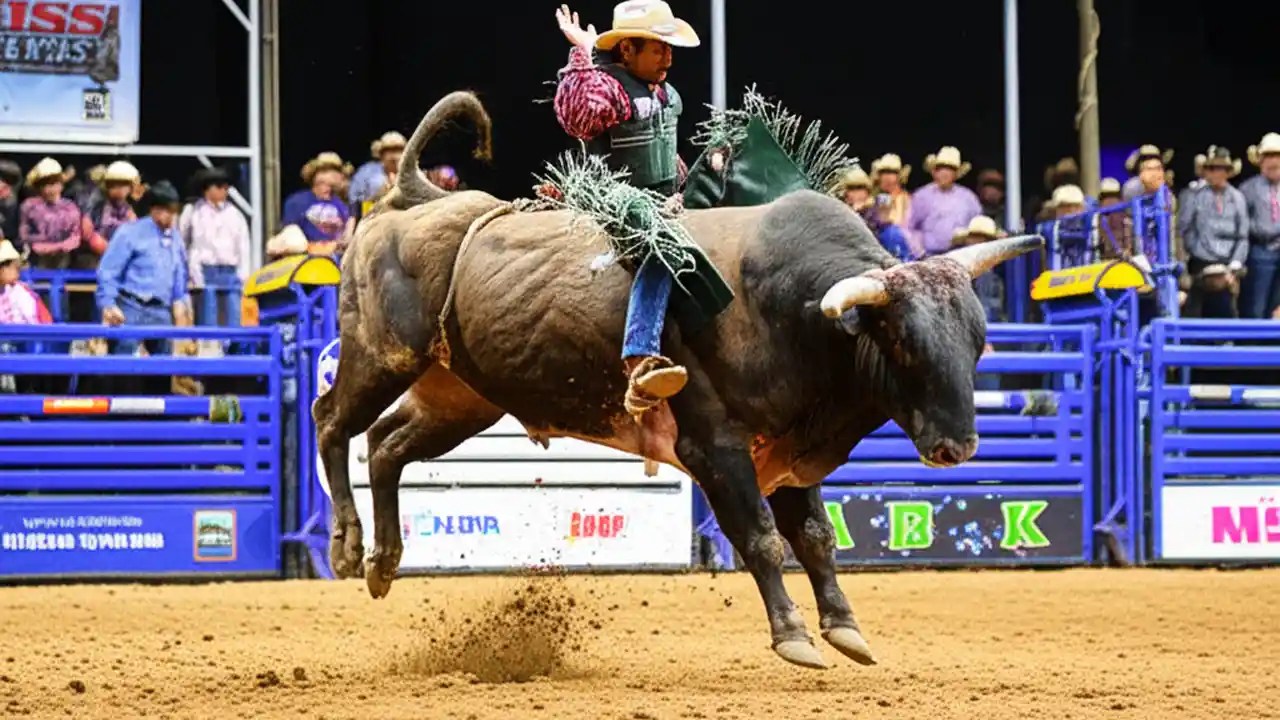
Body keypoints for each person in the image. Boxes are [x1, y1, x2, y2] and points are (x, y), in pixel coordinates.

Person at [552, 0, 701, 417]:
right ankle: (639, 357)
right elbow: (577, 115)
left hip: (665, 198)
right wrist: (584, 51)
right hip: (618, 205)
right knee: (661, 249)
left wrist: (688, 185)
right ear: (627, 52)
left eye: (669, 48)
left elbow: (664, 152)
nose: (668, 57)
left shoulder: (666, 93)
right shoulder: (608, 88)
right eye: (657, 48)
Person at [96, 180, 192, 358]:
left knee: (162, 368)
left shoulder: (176, 239)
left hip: (161, 310)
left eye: (173, 211)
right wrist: (108, 303)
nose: (171, 216)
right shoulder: (130, 232)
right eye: (168, 211)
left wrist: (181, 305)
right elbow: (109, 270)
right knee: (123, 365)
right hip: (130, 306)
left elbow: (179, 274)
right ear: (155, 209)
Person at [1178, 146, 1248, 320]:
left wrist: (1235, 264)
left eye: (1220, 169)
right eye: (1211, 168)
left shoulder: (1238, 197)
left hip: (1228, 263)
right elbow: (1184, 229)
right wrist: (1196, 253)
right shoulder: (1193, 195)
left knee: (1226, 311)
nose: (1215, 173)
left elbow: (1243, 235)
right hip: (1199, 263)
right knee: (1195, 313)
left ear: (1227, 172)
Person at [180, 166, 251, 326]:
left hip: (230, 272)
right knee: (207, 322)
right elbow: (183, 243)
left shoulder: (235, 214)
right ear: (207, 189)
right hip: (204, 271)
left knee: (233, 321)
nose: (224, 191)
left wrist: (243, 275)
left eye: (226, 187)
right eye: (219, 186)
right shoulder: (193, 212)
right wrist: (191, 272)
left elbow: (243, 246)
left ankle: (233, 349)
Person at [905, 146, 981, 258]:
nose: (945, 173)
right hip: (929, 257)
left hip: (961, 256)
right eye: (940, 168)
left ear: (956, 173)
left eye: (950, 169)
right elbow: (910, 228)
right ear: (934, 172)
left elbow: (978, 228)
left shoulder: (968, 198)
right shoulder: (922, 196)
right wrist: (920, 253)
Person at [1239, 132, 1280, 319]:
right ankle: (1253, 346)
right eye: (1269, 156)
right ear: (1261, 160)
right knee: (1257, 306)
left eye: (1277, 156)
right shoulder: (1248, 188)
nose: (1274, 161)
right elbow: (1242, 223)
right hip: (1261, 251)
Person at [282, 152, 354, 255]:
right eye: (325, 171)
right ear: (315, 175)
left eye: (335, 171)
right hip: (308, 261)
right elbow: (291, 238)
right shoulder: (296, 202)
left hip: (338, 261)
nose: (331, 175)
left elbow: (346, 239)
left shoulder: (342, 205)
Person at [18, 157, 81, 269]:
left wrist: (60, 246)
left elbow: (76, 236)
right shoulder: (29, 206)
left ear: (61, 185)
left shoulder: (70, 207)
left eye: (54, 183)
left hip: (64, 259)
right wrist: (39, 245)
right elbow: (23, 234)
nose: (49, 188)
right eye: (44, 184)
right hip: (36, 259)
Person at [349, 131, 407, 208]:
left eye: (398, 151)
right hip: (373, 214)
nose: (394, 156)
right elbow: (355, 199)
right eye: (389, 151)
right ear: (381, 155)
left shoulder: (412, 174)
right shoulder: (367, 172)